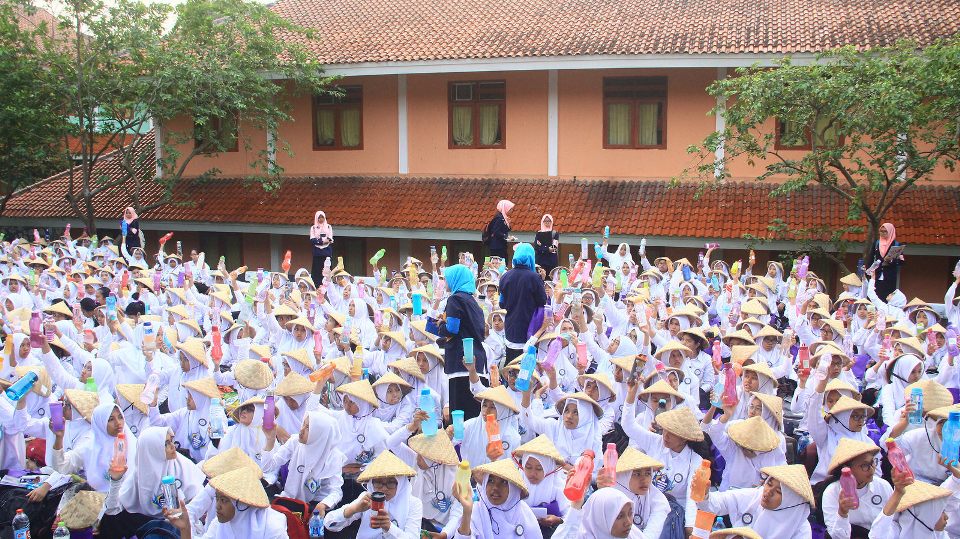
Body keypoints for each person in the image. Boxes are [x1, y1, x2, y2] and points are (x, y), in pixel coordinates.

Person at [439, 264, 488, 420]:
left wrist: (439, 326)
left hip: (461, 365)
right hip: (477, 363)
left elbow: (452, 328)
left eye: (447, 278)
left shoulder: (455, 299)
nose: (445, 281)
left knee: (460, 421)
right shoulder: (474, 303)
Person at [499, 243, 548, 362]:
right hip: (529, 327)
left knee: (511, 364)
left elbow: (502, 304)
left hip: (511, 327)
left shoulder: (505, 276)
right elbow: (542, 301)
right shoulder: (534, 277)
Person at [868, 223, 904, 301]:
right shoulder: (876, 243)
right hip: (877, 275)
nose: (883, 233)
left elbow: (901, 262)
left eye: (885, 231)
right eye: (881, 231)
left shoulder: (896, 245)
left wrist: (891, 260)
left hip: (889, 277)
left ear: (890, 231)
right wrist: (868, 270)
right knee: (875, 298)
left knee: (888, 299)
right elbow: (871, 258)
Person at [310, 210, 334, 285]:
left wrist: (320, 240)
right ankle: (317, 286)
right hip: (317, 252)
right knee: (317, 271)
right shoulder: (313, 228)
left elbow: (330, 239)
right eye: (319, 217)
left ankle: (327, 284)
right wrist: (322, 241)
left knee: (327, 269)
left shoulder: (328, 227)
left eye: (322, 217)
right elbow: (313, 240)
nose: (321, 219)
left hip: (326, 251)